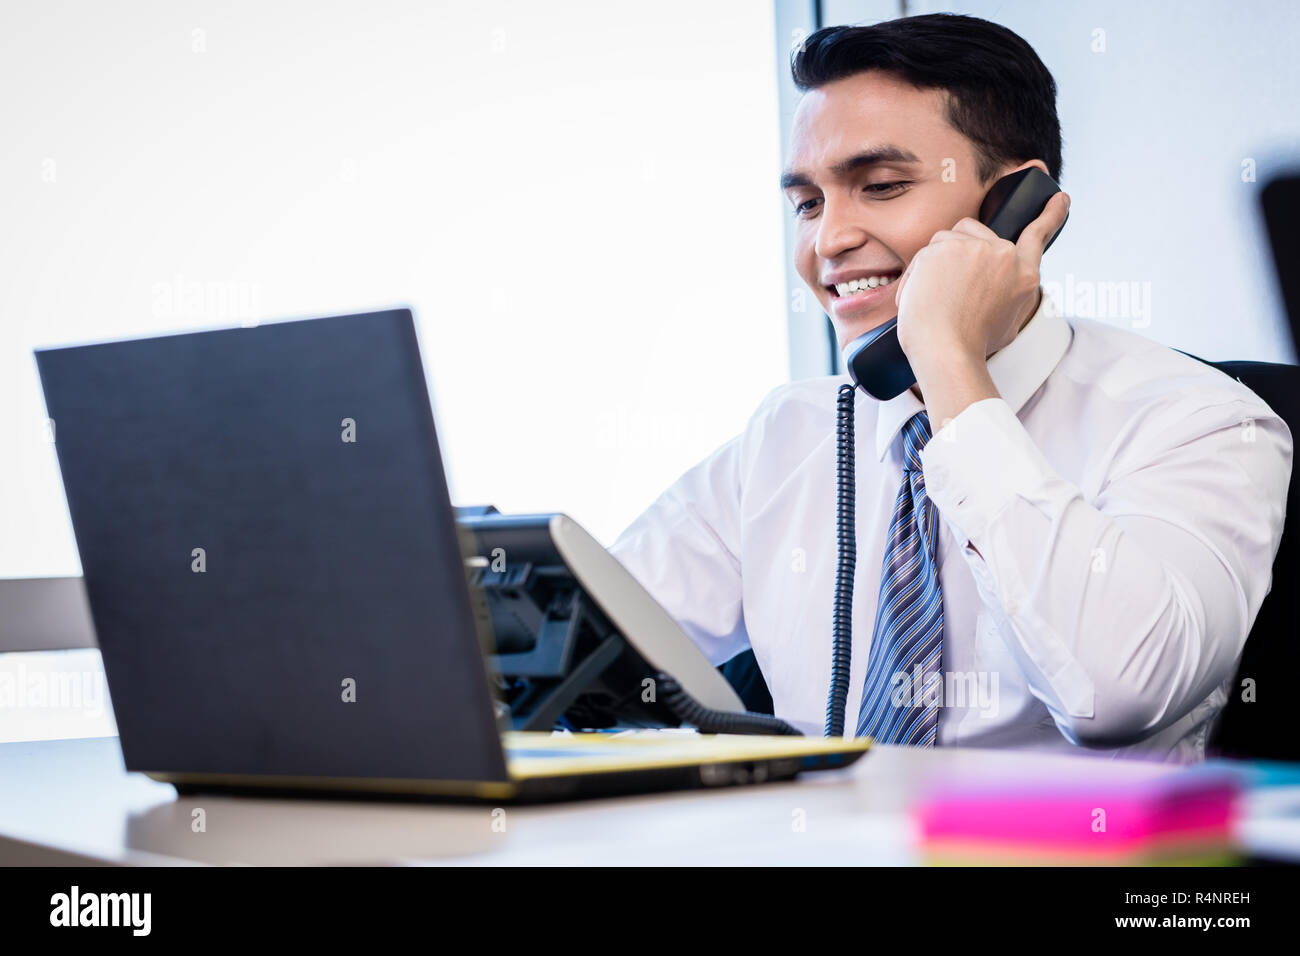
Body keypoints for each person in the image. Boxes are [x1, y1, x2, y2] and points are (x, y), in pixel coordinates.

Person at [608, 14, 1292, 761]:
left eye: (881, 186)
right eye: (807, 203)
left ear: (1015, 207)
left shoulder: (1199, 422)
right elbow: (593, 644)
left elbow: (1116, 695)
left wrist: (951, 370)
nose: (828, 240)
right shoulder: (790, 436)